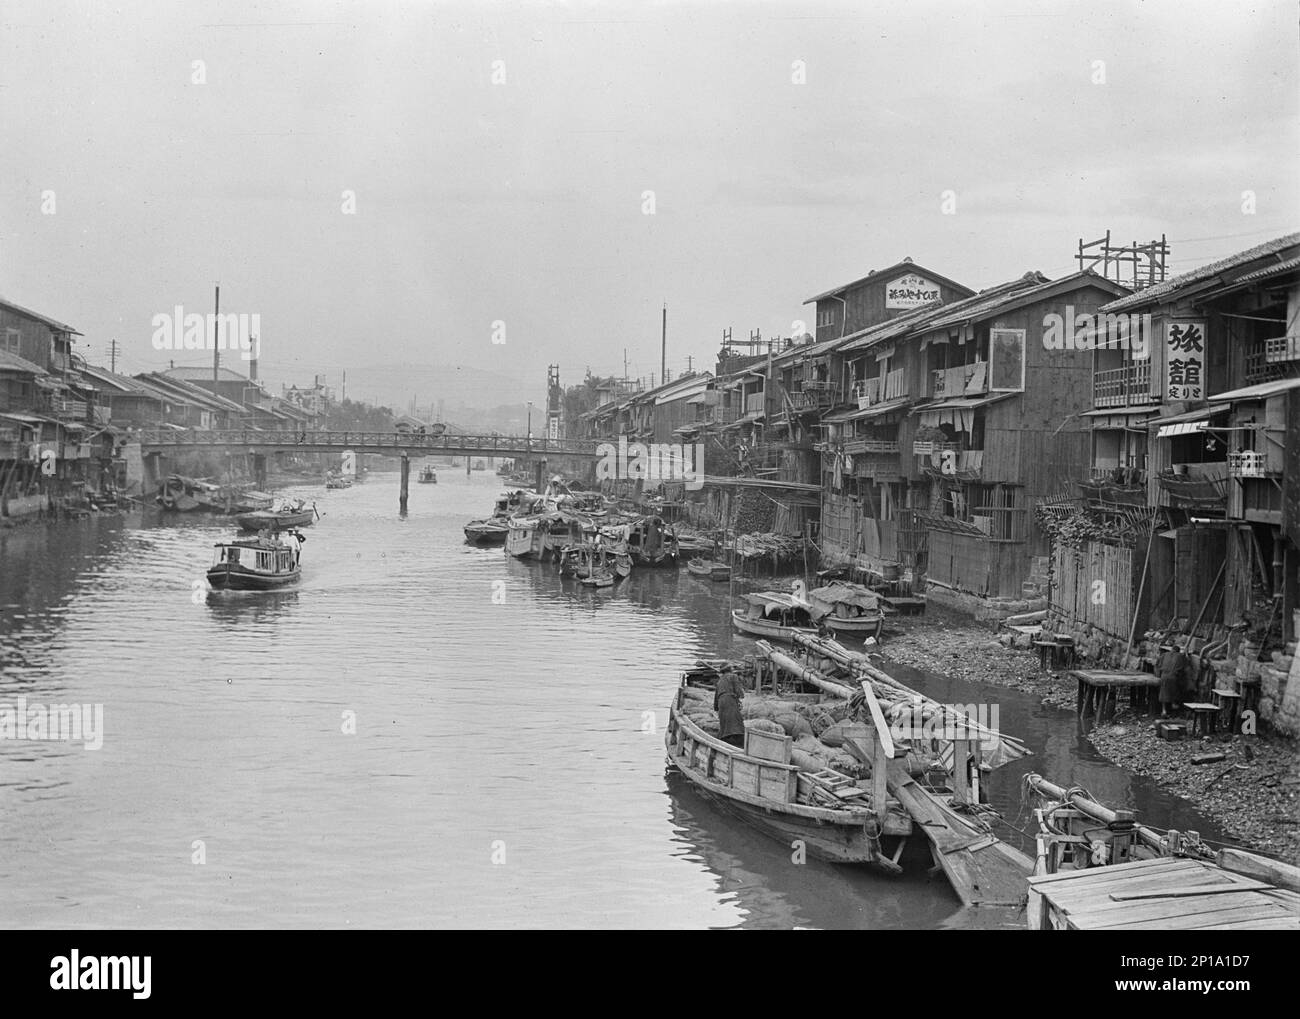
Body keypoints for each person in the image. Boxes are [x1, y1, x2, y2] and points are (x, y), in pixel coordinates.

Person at [714, 670, 747, 749]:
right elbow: (739, 691)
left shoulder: (720, 681)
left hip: (721, 702)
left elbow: (716, 698)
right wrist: (741, 695)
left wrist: (716, 707)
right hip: (730, 701)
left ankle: (724, 740)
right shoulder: (733, 676)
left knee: (724, 722)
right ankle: (739, 743)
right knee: (736, 721)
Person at [1156, 641, 1188, 717]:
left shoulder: (1164, 654)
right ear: (1178, 651)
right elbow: (1185, 666)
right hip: (1174, 677)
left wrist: (1158, 675)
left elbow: (1157, 664)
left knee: (1163, 692)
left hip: (1164, 676)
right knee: (1175, 691)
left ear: (1171, 650)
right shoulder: (1180, 656)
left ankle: (1164, 711)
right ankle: (1174, 706)